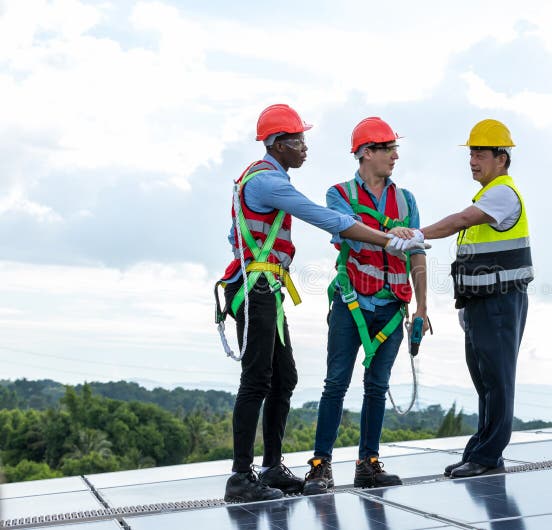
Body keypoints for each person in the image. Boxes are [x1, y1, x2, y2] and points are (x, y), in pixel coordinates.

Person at [217, 105, 426, 503]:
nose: (305, 148)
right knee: (257, 379)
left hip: (265, 288)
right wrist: (389, 239)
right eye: (298, 141)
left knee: (285, 378)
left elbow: (235, 236)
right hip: (256, 289)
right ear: (279, 144)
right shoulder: (268, 183)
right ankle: (241, 476)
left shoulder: (262, 178)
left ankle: (272, 467)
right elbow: (325, 219)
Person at [302, 117, 429, 495]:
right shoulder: (338, 194)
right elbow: (350, 229)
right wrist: (394, 233)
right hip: (351, 303)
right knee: (335, 383)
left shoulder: (407, 199)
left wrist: (422, 308)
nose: (395, 155)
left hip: (392, 307)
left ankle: (368, 464)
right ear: (366, 153)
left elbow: (418, 252)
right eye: (388, 148)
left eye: (395, 148)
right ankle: (320, 465)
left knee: (377, 386)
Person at [418, 119, 533, 478]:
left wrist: (416, 235)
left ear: (502, 158)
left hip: (501, 302)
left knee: (497, 380)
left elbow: (460, 220)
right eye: (471, 153)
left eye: (480, 153)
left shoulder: (502, 193)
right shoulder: (488, 194)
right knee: (485, 381)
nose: (473, 160)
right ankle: (482, 451)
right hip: (482, 304)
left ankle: (487, 456)